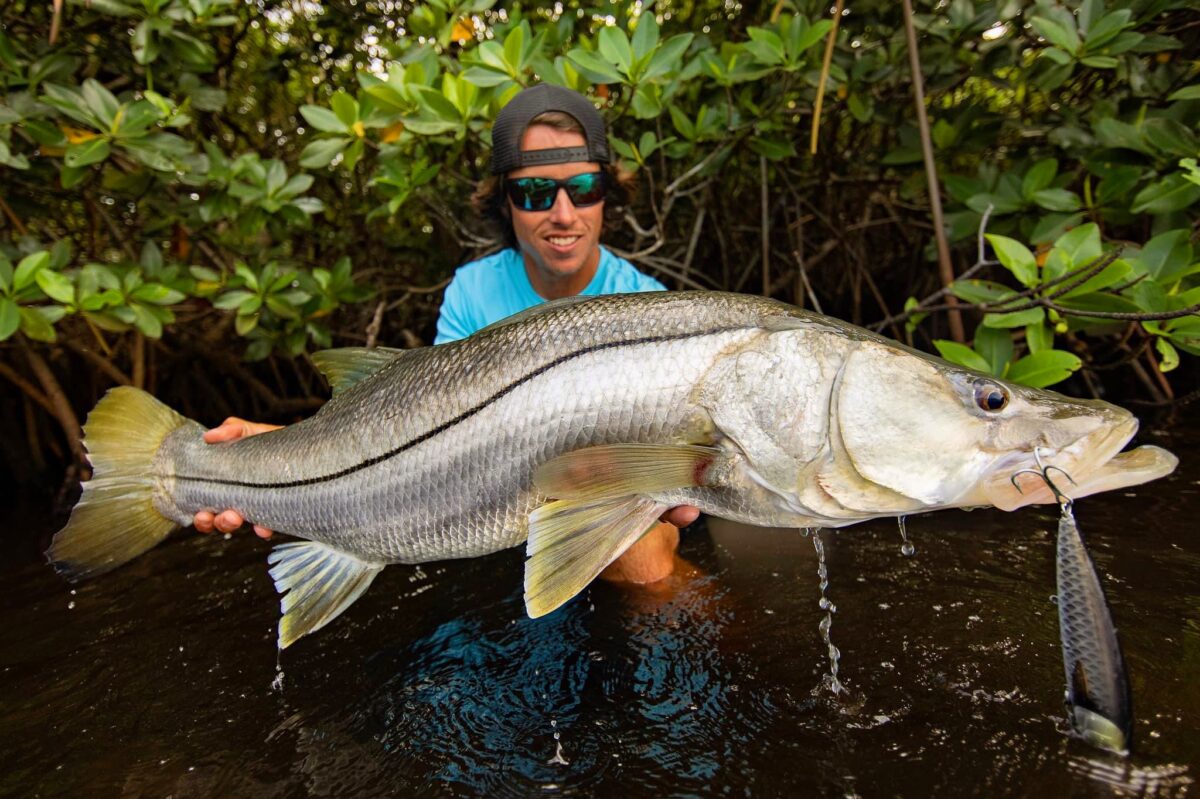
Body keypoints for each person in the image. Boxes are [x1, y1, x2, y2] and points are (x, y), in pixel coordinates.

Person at [195, 84, 699, 584]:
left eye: (584, 188)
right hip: (483, 503)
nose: (563, 213)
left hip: (605, 505)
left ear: (606, 195)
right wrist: (276, 448)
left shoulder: (645, 303)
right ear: (505, 202)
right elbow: (424, 432)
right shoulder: (473, 288)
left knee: (648, 567)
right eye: (534, 192)